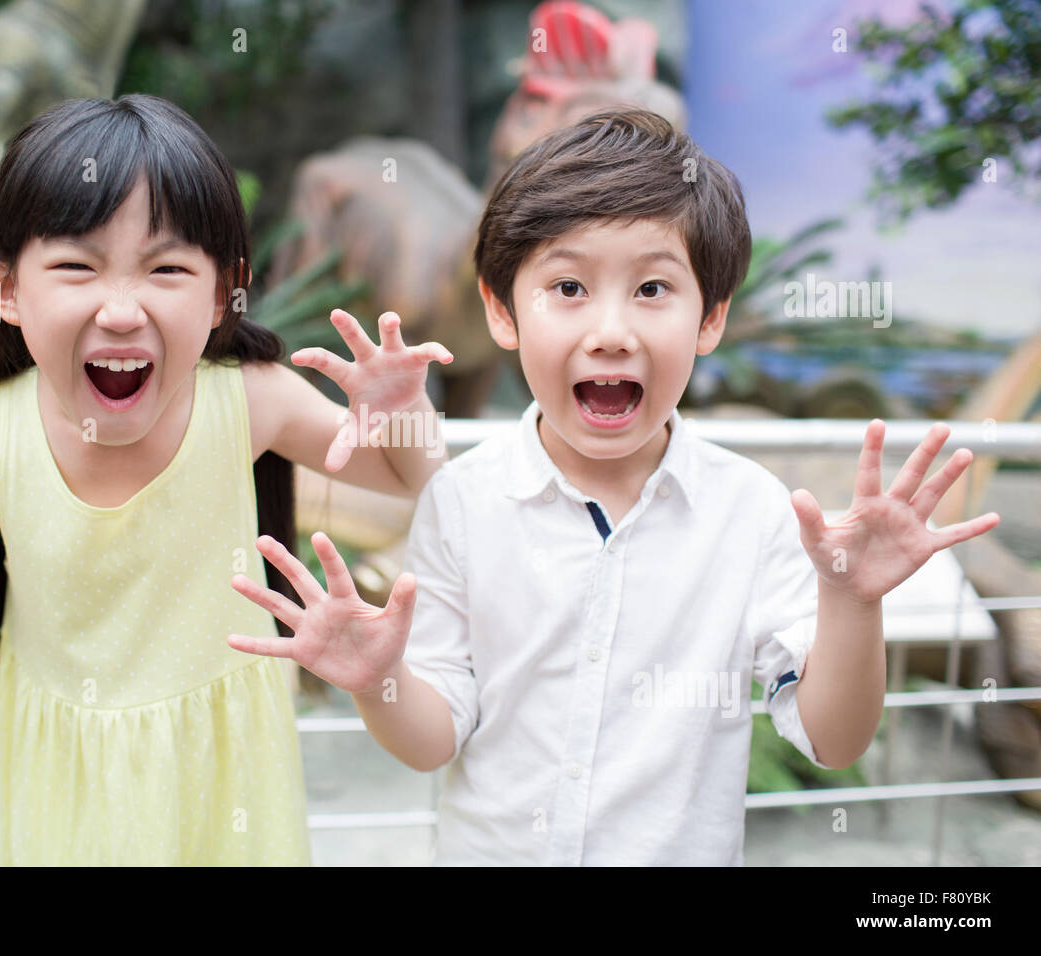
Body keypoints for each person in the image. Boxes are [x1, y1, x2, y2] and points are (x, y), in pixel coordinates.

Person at [226, 108, 1001, 865]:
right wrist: (379, 680)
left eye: (653, 290)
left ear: (710, 320)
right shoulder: (462, 502)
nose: (610, 330)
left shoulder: (751, 512)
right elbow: (433, 743)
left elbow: (835, 741)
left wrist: (854, 602)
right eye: (567, 289)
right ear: (501, 311)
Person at [0, 94, 452, 865]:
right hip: (65, 787)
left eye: (167, 268)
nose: (120, 310)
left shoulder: (253, 398)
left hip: (229, 776)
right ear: (4, 286)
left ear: (223, 290)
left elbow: (411, 480)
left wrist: (406, 413)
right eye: (77, 266)